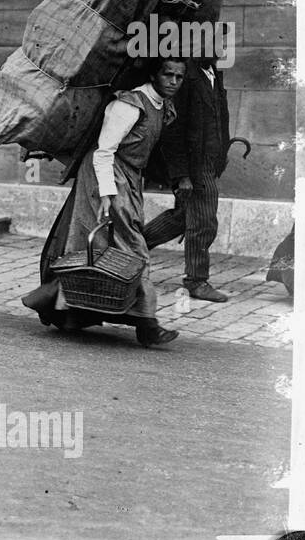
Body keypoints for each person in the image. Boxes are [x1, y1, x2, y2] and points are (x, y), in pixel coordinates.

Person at [51, 56, 188, 347]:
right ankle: (147, 324)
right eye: (168, 74)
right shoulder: (128, 105)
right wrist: (107, 193)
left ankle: (73, 315)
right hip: (105, 174)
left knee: (103, 247)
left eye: (179, 76)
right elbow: (104, 151)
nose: (173, 81)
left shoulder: (162, 106)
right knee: (127, 247)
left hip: (129, 177)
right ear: (154, 74)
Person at [143, 57, 232, 302]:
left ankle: (130, 246)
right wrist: (182, 175)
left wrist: (221, 155)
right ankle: (196, 280)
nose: (221, 48)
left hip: (211, 161)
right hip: (194, 165)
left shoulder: (214, 73)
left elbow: (219, 118)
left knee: (184, 217)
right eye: (215, 41)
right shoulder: (186, 76)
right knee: (203, 222)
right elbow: (173, 130)